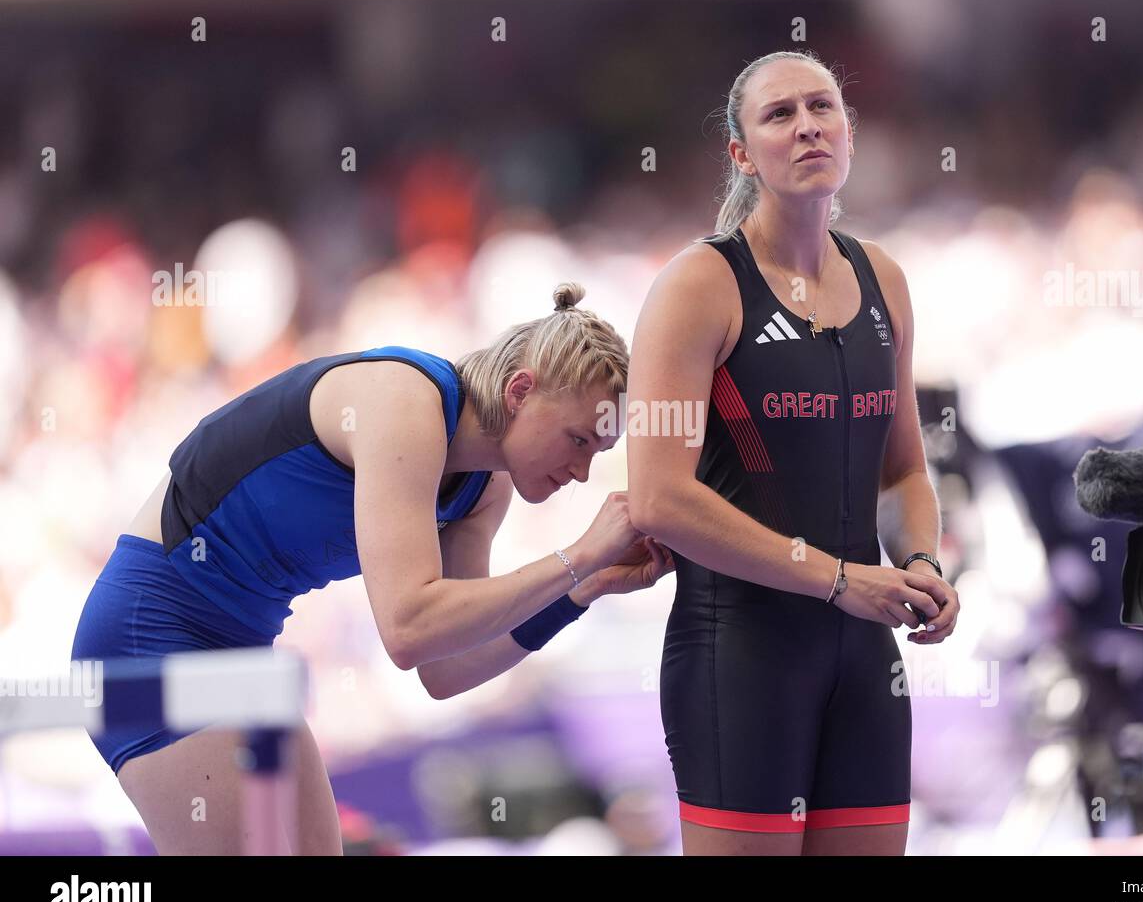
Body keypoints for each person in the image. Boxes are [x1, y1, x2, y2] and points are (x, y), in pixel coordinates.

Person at [70, 282, 673, 854]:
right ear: (519, 392)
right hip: (145, 638)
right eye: (577, 441)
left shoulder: (485, 488)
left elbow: (446, 668)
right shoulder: (405, 401)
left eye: (597, 452)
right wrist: (577, 557)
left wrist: (582, 590)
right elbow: (409, 629)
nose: (583, 473)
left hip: (240, 657)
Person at [626, 51, 960, 856]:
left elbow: (904, 470)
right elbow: (659, 499)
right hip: (741, 651)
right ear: (741, 153)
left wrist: (921, 562)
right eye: (779, 114)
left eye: (823, 108)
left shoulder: (884, 279)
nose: (807, 125)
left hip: (863, 652)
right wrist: (839, 579)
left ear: (849, 133)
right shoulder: (698, 287)